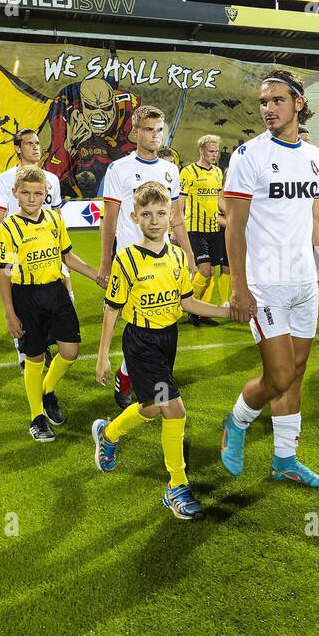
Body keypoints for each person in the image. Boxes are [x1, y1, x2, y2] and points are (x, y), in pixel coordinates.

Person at [219, 69, 319, 487]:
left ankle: (285, 461)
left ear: (298, 103)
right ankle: (237, 421)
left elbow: (316, 216)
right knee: (276, 376)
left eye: (277, 100)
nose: (268, 108)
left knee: (297, 371)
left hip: (303, 282)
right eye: (263, 102)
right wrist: (239, 288)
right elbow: (233, 228)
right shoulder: (247, 156)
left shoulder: (313, 156)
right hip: (265, 284)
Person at [93, 182, 231, 516]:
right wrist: (102, 358)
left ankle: (108, 434)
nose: (154, 220)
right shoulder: (126, 260)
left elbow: (187, 303)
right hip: (140, 342)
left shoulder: (177, 256)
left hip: (168, 339)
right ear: (134, 217)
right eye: (147, 214)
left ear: (171, 216)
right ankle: (177, 486)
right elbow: (111, 309)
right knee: (175, 410)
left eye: (161, 213)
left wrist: (226, 311)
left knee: (152, 408)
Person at [96, 106, 197, 410]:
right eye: (149, 130)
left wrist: (189, 255)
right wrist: (105, 263)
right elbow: (109, 220)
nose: (155, 136)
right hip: (130, 263)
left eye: (159, 130)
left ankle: (132, 380)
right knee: (136, 327)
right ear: (136, 131)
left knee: (157, 326)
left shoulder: (170, 170)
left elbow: (176, 218)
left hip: (164, 261)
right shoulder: (119, 169)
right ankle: (142, 390)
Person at [0, 166, 103, 442]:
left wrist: (95, 275)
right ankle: (37, 416)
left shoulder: (55, 220)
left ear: (46, 193)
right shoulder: (9, 227)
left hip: (56, 292)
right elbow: (4, 272)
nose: (32, 198)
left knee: (70, 350)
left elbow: (67, 255)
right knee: (35, 356)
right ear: (15, 194)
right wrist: (10, 314)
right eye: (26, 193)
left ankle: (45, 390)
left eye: (38, 193)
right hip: (26, 296)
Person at [0, 129, 70, 370]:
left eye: (38, 143)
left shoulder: (51, 180)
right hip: (18, 254)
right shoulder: (4, 180)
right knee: (22, 307)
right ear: (17, 148)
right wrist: (2, 254)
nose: (36, 147)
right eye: (29, 143)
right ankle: (24, 354)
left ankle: (43, 347)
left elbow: (57, 217)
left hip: (48, 253)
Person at [179, 133, 226, 325]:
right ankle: (188, 306)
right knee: (204, 270)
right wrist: (177, 228)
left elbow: (220, 199)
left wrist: (231, 215)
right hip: (195, 229)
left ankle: (202, 312)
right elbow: (179, 203)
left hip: (214, 229)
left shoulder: (217, 172)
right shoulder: (188, 172)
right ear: (201, 151)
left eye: (216, 151)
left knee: (211, 273)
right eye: (211, 151)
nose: (214, 155)